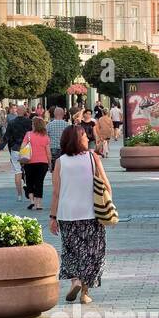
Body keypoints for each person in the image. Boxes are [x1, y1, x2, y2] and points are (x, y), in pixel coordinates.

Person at [49, 125, 108, 305]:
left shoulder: (60, 162)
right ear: (78, 139)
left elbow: (56, 192)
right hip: (91, 213)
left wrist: (53, 217)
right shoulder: (92, 157)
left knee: (70, 250)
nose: (86, 138)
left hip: (67, 214)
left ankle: (74, 280)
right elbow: (105, 184)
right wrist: (108, 206)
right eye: (84, 135)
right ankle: (84, 292)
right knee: (92, 253)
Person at [0, 104, 33, 202]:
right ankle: (30, 192)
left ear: (17, 111)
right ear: (25, 111)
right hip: (27, 149)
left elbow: (6, 136)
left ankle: (19, 195)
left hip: (15, 149)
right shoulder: (29, 122)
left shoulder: (12, 123)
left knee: (17, 171)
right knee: (28, 171)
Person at [22, 117, 53, 211]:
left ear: (34, 125)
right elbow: (48, 152)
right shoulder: (46, 137)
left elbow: (22, 147)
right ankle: (39, 204)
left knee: (30, 182)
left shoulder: (28, 135)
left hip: (29, 161)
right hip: (43, 163)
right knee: (39, 183)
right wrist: (50, 163)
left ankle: (32, 201)